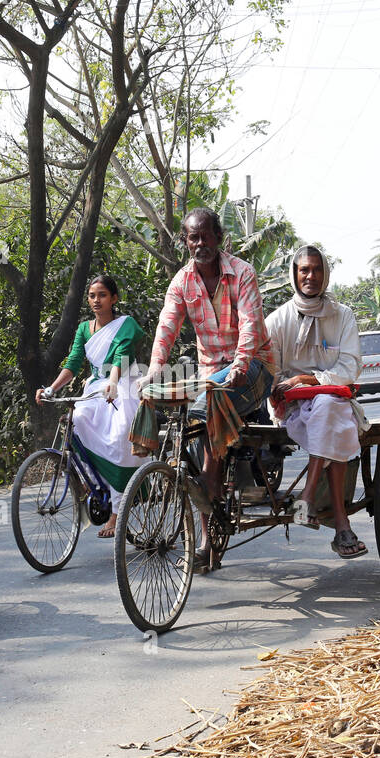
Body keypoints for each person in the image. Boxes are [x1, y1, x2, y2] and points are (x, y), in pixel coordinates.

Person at [141, 207, 275, 568]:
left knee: (205, 411)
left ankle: (207, 511)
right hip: (212, 374)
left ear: (219, 237)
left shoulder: (243, 273)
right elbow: (166, 327)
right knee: (195, 437)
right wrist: (154, 370)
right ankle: (208, 539)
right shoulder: (182, 281)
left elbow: (250, 324)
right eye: (192, 237)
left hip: (255, 367)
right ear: (186, 241)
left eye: (205, 235)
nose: (199, 243)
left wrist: (241, 365)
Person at [264, 245, 366, 559]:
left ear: (326, 274)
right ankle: (340, 523)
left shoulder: (343, 315)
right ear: (294, 275)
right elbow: (270, 371)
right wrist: (286, 384)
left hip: (334, 402)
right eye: (304, 270)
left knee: (329, 407)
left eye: (317, 269)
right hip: (292, 408)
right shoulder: (278, 320)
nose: (311, 276)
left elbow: (350, 367)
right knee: (329, 411)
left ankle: (307, 496)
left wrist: (308, 380)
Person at [37, 274, 147, 538]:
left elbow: (121, 355)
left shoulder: (125, 324)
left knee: (120, 436)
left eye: (102, 295)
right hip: (96, 389)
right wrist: (52, 389)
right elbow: (74, 362)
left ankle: (117, 513)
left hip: (123, 387)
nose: (96, 300)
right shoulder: (85, 329)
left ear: (114, 299)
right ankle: (92, 484)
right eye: (92, 295)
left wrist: (112, 382)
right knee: (77, 421)